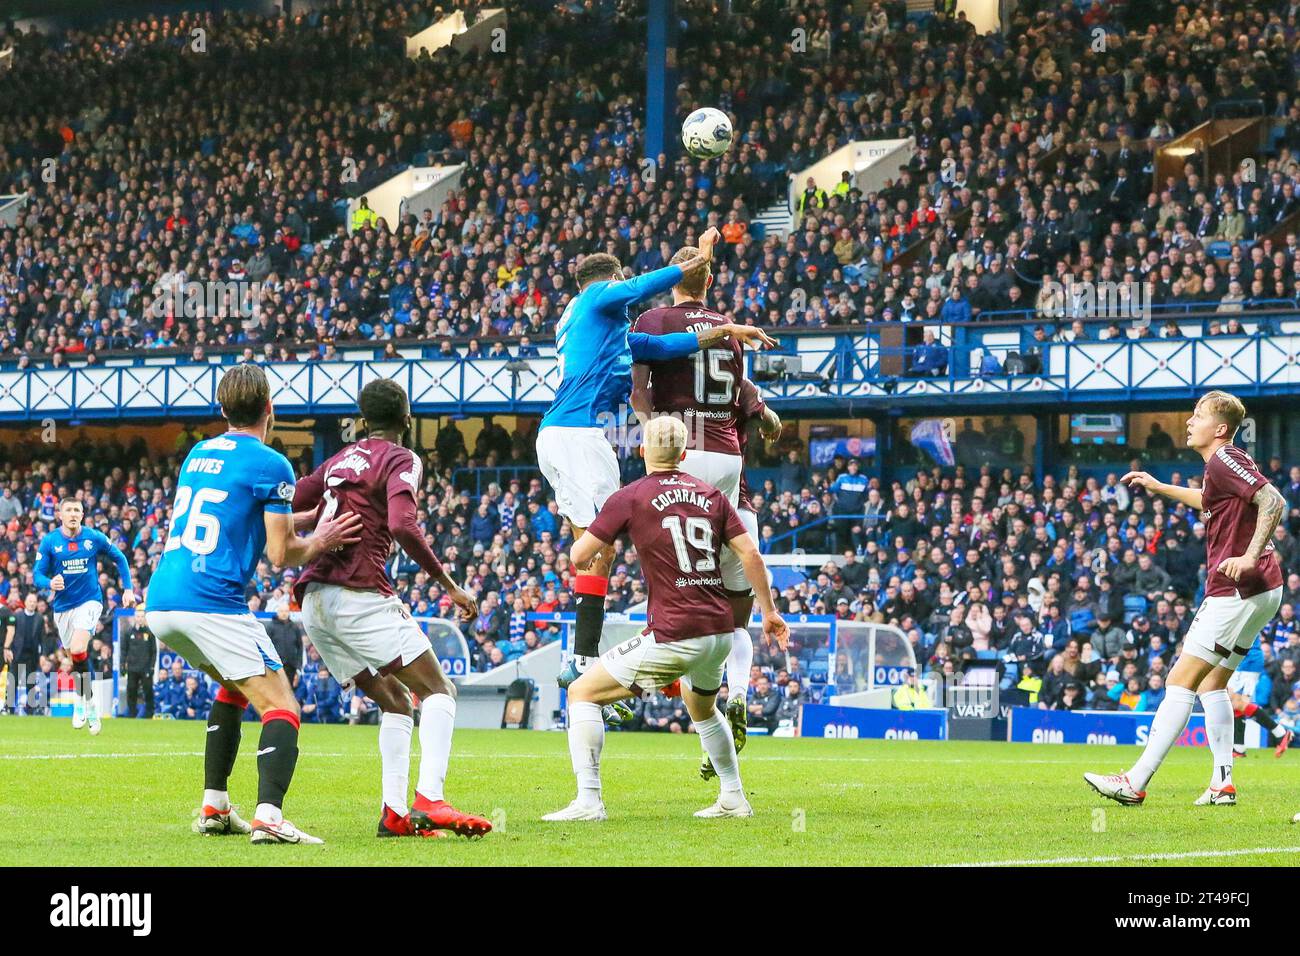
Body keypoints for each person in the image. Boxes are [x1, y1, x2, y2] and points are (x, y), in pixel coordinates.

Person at [536, 228, 775, 698]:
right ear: (609, 280)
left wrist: (726, 330)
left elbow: (666, 349)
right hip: (581, 435)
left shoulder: (604, 330)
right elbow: (637, 289)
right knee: (612, 543)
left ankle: (591, 659)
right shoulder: (596, 299)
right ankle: (592, 664)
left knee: (594, 545)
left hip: (557, 436)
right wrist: (697, 259)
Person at [146, 363, 363, 845]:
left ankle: (215, 807)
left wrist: (300, 515)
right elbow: (280, 553)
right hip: (212, 602)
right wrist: (322, 537)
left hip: (162, 600)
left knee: (236, 687)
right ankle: (269, 816)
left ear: (223, 410)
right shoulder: (271, 462)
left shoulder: (198, 453)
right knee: (283, 705)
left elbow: (244, 514)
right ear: (271, 408)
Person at [542, 416, 788, 821]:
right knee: (703, 709)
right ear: (685, 455)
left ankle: (589, 801)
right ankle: (733, 797)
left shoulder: (631, 496)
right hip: (719, 630)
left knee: (582, 693)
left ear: (642, 452)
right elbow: (751, 556)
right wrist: (769, 611)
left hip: (675, 632)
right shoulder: (711, 495)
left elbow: (579, 556)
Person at [292, 378, 491, 839]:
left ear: (363, 421)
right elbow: (403, 525)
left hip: (314, 602)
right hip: (358, 593)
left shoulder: (339, 458)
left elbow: (291, 500)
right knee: (440, 690)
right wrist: (451, 587)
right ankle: (431, 801)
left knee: (397, 700)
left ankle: (393, 814)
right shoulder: (402, 457)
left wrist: (306, 525)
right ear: (407, 418)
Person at [1085, 391, 1284, 808]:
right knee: (1214, 683)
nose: (1190, 422)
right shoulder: (1222, 468)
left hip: (1237, 586)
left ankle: (1135, 781)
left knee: (1180, 681)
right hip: (1263, 588)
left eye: (1198, 416)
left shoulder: (1225, 459)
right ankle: (1221, 783)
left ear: (1221, 429)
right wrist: (1159, 487)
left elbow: (1273, 500)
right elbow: (1210, 501)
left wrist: (1247, 556)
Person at [630, 250, 783, 763]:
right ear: (712, 280)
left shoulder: (654, 320)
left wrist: (649, 428)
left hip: (685, 448)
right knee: (733, 611)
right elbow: (742, 393)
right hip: (730, 462)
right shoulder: (730, 329)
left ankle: (637, 681)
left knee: (677, 578)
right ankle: (735, 694)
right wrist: (766, 413)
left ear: (673, 279)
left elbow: (639, 389)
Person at [34, 497, 136, 734]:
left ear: (82, 514)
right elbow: (37, 573)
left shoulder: (93, 537)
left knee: (79, 649)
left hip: (90, 601)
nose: (72, 513)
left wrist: (128, 588)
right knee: (75, 658)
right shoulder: (50, 542)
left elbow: (119, 558)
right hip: (62, 608)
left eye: (77, 510)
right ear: (60, 514)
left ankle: (88, 703)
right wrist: (50, 582)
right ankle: (85, 700)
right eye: (68, 510)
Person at [120, 608, 157, 718]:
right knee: (131, 690)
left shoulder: (149, 633)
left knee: (148, 691)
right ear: (135, 618)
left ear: (144, 618)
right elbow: (124, 650)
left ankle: (149, 714)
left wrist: (151, 667)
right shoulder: (128, 632)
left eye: (142, 616)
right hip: (132, 667)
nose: (140, 619)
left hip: (145, 668)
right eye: (138, 616)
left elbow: (153, 651)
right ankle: (132, 713)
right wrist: (123, 664)